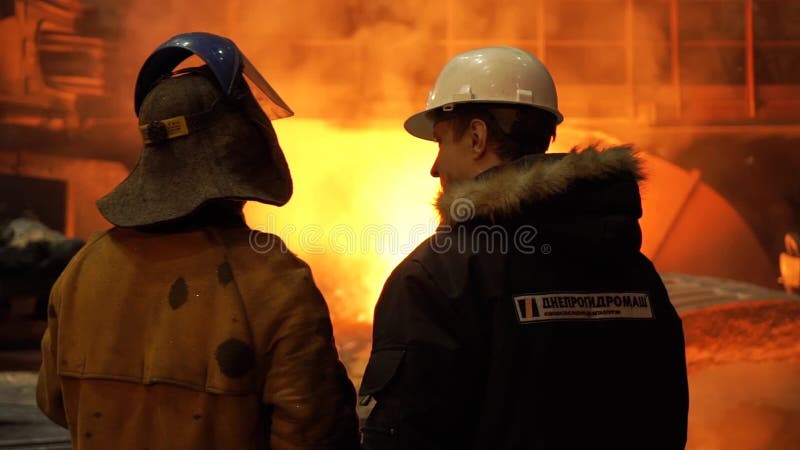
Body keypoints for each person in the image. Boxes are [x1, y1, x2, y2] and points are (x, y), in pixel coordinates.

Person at [36, 32, 360, 450]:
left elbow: (55, 402)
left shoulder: (84, 269)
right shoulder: (275, 283)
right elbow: (314, 434)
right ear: (237, 146)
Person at [359, 46, 689, 450]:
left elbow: (406, 436)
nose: (435, 166)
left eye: (441, 141)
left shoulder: (437, 277)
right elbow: (666, 418)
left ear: (477, 137)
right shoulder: (635, 271)